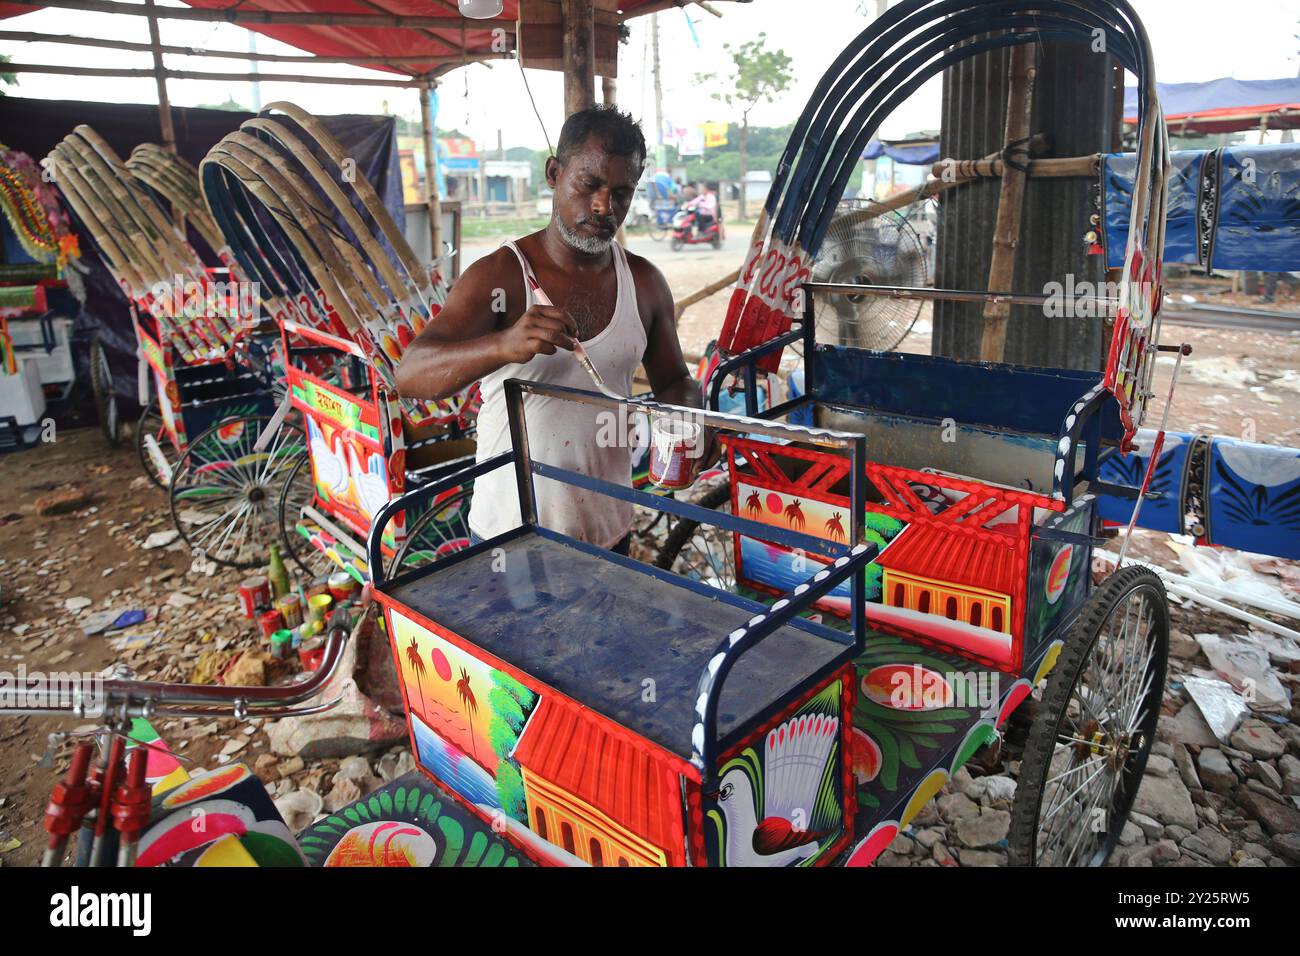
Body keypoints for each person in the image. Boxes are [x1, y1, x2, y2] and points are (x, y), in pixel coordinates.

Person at [395, 105, 718, 554]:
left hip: (609, 531)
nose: (605, 206)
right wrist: (503, 344)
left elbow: (674, 380)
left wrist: (688, 418)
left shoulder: (643, 282)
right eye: (590, 185)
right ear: (554, 173)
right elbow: (411, 376)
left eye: (622, 193)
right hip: (510, 536)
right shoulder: (501, 277)